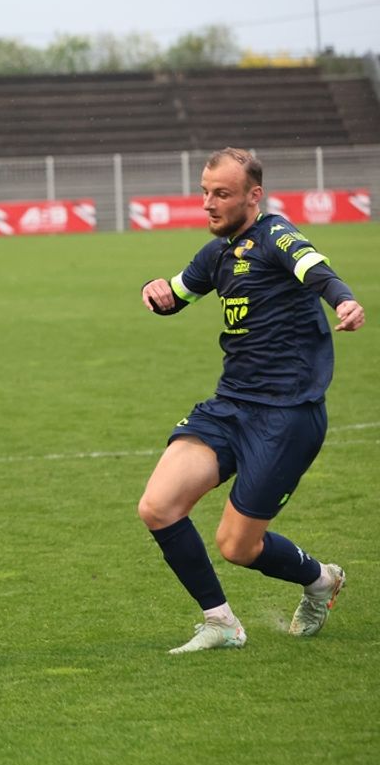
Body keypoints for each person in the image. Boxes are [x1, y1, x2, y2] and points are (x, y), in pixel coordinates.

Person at [138, 147, 365, 654]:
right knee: (158, 506)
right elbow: (174, 296)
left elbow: (314, 268)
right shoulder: (217, 254)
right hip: (230, 406)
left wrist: (344, 299)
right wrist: (152, 292)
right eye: (205, 193)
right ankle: (220, 623)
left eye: (222, 194)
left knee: (237, 546)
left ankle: (321, 580)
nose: (209, 204)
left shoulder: (276, 236)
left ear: (253, 196)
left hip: (287, 416)